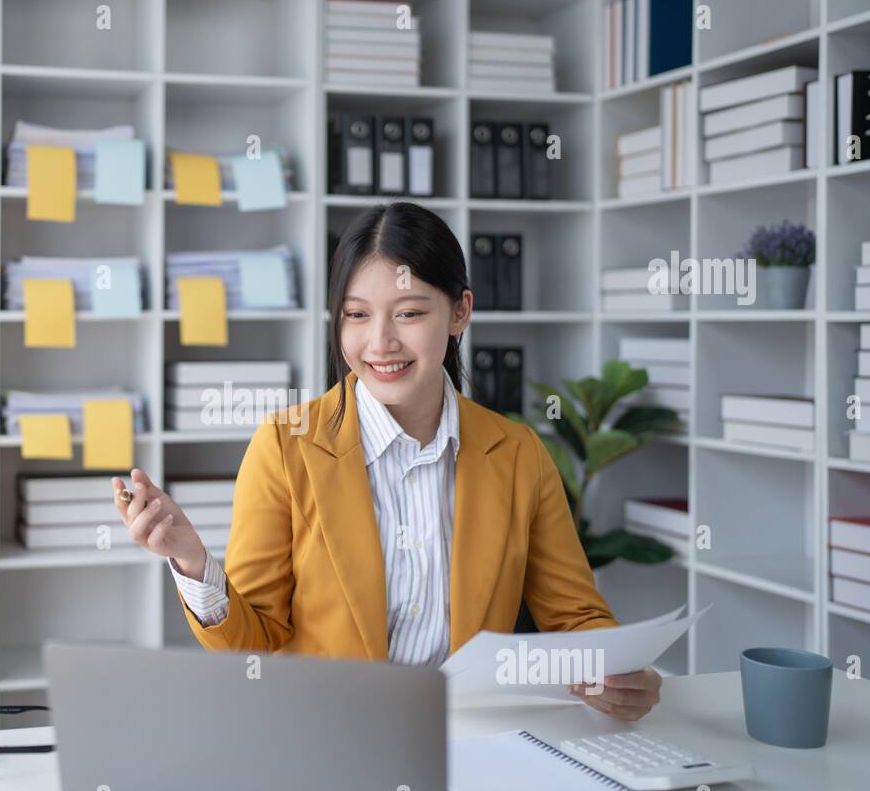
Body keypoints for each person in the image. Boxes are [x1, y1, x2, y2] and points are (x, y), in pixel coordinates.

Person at [113, 201, 660, 721]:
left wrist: (614, 673)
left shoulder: (517, 454)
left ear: (459, 312)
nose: (380, 342)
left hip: (469, 734)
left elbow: (576, 619)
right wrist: (192, 561)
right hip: (330, 735)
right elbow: (254, 642)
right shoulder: (285, 447)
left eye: (409, 313)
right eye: (356, 315)